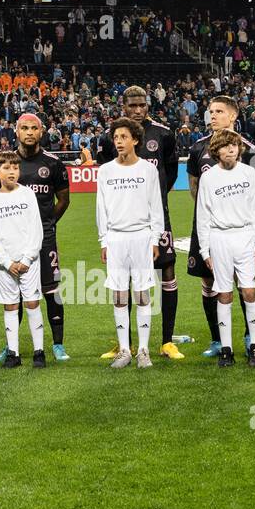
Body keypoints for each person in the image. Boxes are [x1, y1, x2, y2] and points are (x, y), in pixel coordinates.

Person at [84, 85, 183, 359]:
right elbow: (109, 170)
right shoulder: (108, 138)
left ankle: (166, 342)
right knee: (123, 283)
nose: (138, 110)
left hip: (153, 218)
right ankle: (124, 342)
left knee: (167, 271)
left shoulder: (163, 134)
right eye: (132, 106)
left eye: (142, 105)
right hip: (121, 228)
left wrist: (154, 200)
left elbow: (171, 173)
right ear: (123, 107)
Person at [187, 94, 255, 358]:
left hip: (240, 232)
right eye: (211, 111)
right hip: (211, 229)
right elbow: (195, 190)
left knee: (245, 285)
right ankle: (218, 339)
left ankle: (247, 336)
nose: (213, 116)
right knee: (210, 283)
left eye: (219, 111)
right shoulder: (198, 148)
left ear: (233, 116)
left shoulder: (251, 150)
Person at [97, 117, 165, 369]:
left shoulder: (147, 170)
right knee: (119, 295)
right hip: (115, 238)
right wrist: (104, 240)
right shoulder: (105, 171)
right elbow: (101, 209)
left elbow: (155, 207)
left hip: (141, 236)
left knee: (142, 293)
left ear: (135, 139)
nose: (119, 142)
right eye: (116, 138)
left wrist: (155, 238)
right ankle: (124, 349)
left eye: (124, 137)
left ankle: (144, 351)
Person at [14, 112, 71, 361]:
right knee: (14, 293)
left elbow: (64, 199)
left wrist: (46, 224)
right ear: (16, 132)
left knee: (52, 290)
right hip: (14, 240)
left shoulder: (53, 163)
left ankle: (58, 344)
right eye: (24, 128)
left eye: (33, 128)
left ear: (41, 132)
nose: (29, 132)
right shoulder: (7, 162)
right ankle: (11, 346)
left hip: (46, 237)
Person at [0, 152, 46, 368]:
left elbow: (36, 229)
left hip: (29, 262)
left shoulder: (28, 194)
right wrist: (7, 263)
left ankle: (39, 352)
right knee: (10, 306)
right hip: (5, 266)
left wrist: (27, 258)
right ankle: (13, 353)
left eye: (16, 168)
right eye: (7, 168)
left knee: (32, 302)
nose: (12, 172)